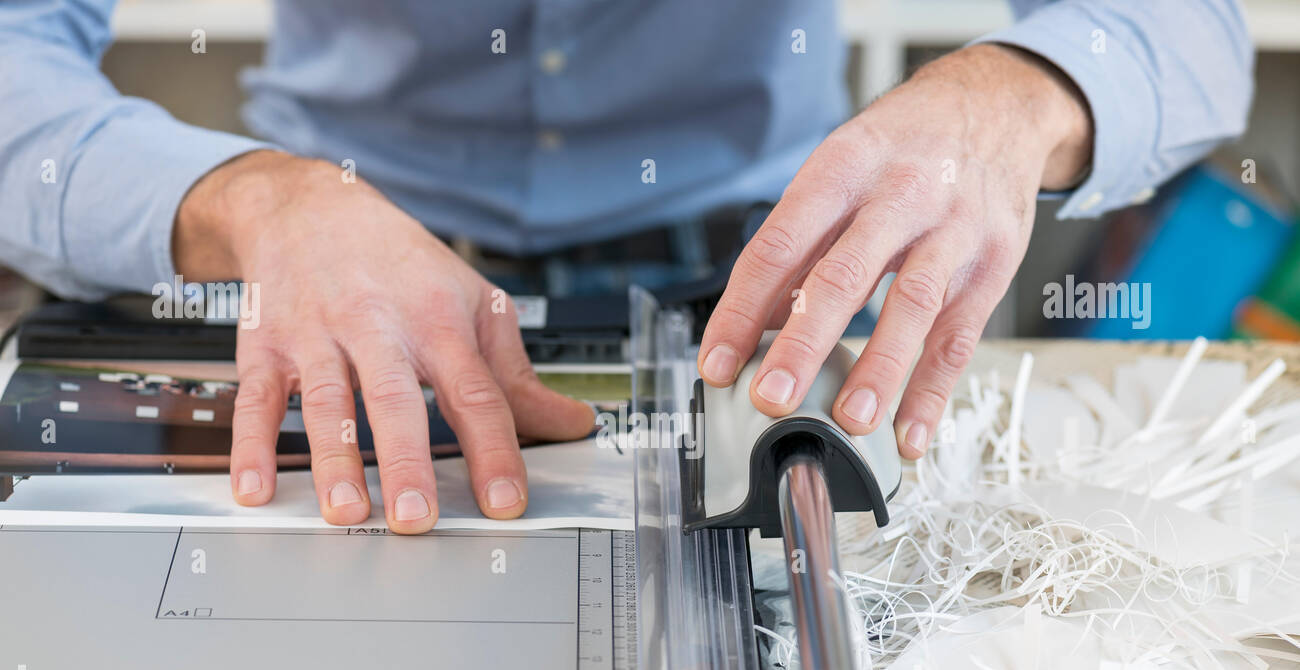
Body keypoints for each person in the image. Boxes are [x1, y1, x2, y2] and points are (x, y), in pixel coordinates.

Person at [0, 1, 1253, 532]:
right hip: (325, 271)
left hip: (752, 286)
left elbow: (1189, 28)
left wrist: (1013, 94)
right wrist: (241, 197)